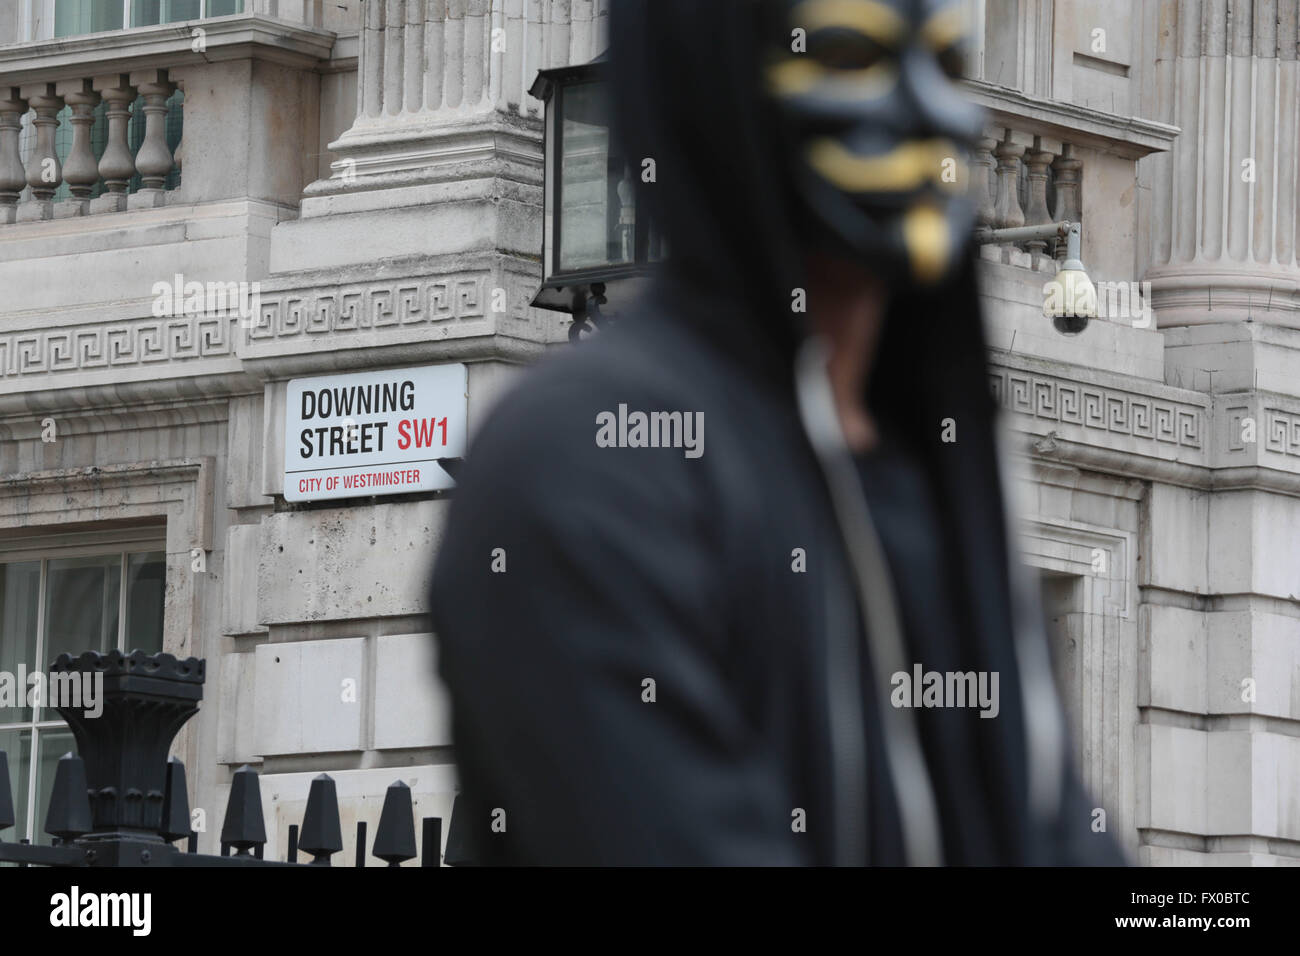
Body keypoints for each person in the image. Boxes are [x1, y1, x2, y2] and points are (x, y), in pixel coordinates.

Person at [429, 0, 1126, 866]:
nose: (921, 109)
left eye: (945, 64)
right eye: (847, 56)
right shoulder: (583, 463)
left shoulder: (940, 481)